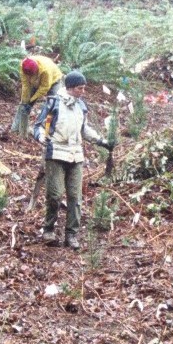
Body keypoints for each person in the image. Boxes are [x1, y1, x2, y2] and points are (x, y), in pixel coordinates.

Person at [32, 70, 110, 250]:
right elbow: (38, 125)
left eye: (84, 88)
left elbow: (84, 129)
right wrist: (40, 137)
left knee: (75, 196)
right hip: (56, 153)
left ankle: (71, 234)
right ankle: (49, 229)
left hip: (76, 155)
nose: (83, 91)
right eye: (79, 88)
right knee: (55, 194)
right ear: (70, 88)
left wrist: (101, 141)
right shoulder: (54, 103)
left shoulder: (81, 106)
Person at [12, 55, 65, 136]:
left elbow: (44, 87)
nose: (29, 76)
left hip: (54, 80)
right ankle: (16, 128)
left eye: (31, 74)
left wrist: (31, 101)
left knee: (52, 105)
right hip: (36, 81)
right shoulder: (23, 66)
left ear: (36, 70)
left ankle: (47, 131)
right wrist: (26, 101)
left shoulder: (45, 70)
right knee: (23, 105)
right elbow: (26, 85)